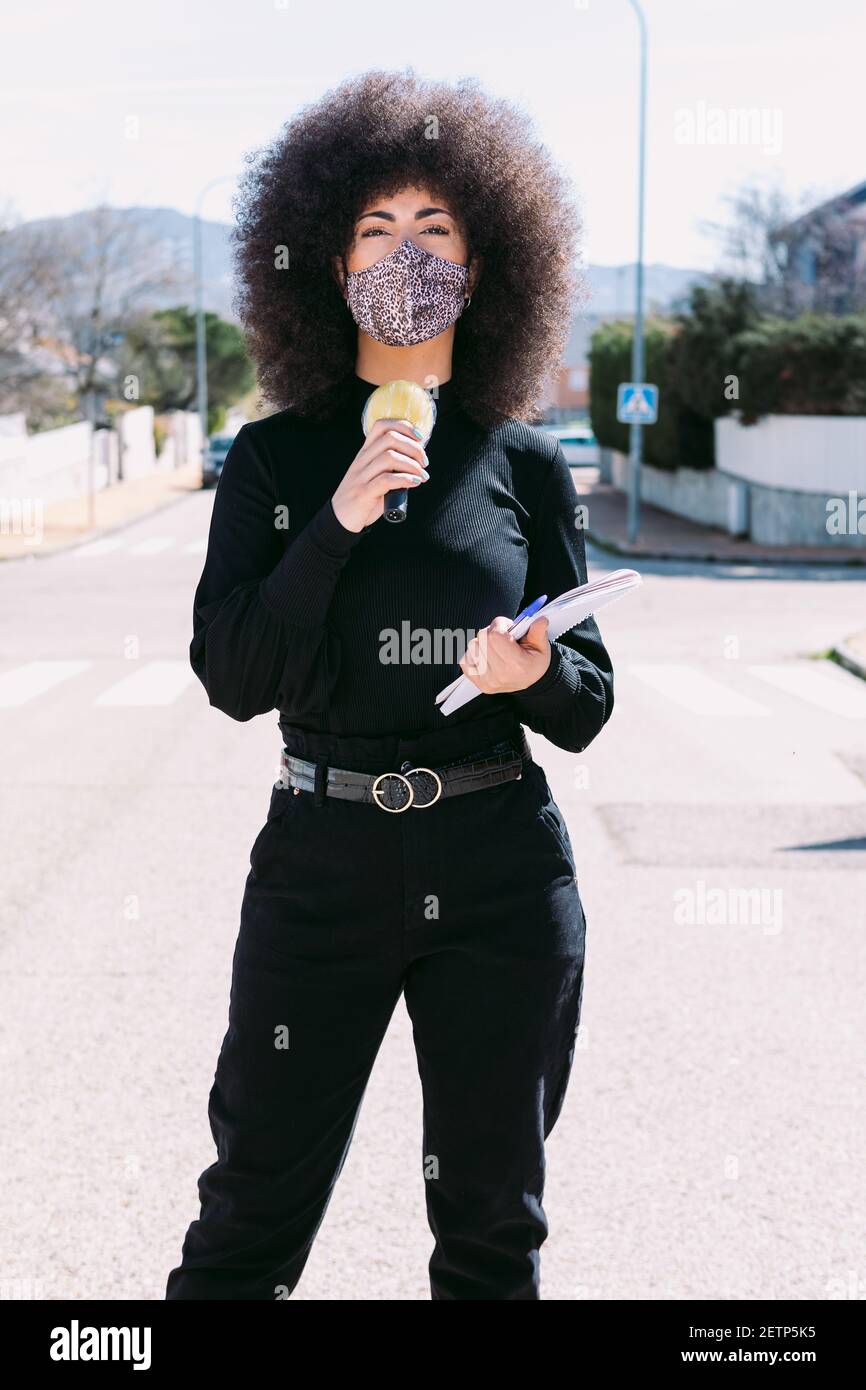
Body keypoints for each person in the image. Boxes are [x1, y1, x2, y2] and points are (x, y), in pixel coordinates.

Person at [165, 68, 614, 1302]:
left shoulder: (524, 462)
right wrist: (336, 522)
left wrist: (530, 670)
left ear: (484, 261)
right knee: (249, 1215)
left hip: (498, 861)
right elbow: (232, 674)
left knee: (492, 1227)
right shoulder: (275, 457)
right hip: (320, 860)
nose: (403, 253)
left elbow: (586, 700)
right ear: (327, 259)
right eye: (374, 227)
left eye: (434, 227)